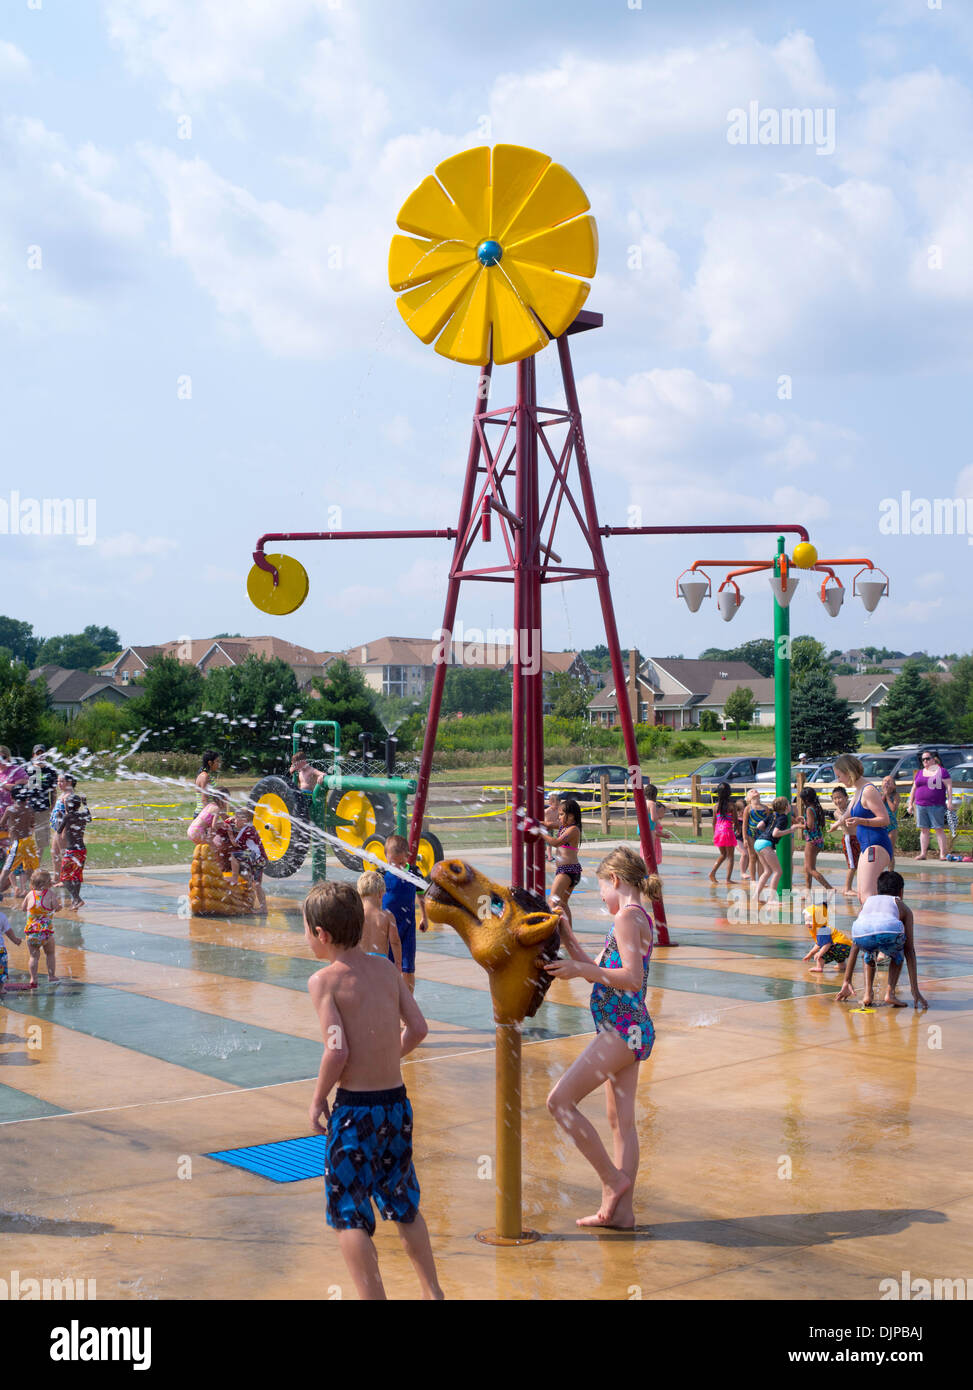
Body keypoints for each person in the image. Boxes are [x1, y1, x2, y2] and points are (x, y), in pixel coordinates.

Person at [304, 880, 442, 1301]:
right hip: (396, 1105)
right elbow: (418, 1028)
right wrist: (388, 1058)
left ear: (322, 935)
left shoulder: (324, 981)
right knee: (403, 1202)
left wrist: (316, 1099)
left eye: (306, 929)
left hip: (356, 1112)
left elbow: (336, 1051)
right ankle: (433, 1293)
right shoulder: (385, 967)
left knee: (349, 1213)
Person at [544, 846, 655, 1230]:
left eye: (600, 889)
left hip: (621, 1028)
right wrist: (566, 934)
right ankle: (622, 1214)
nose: (601, 897)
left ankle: (612, 1180)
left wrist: (576, 968)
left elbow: (631, 979)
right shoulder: (636, 917)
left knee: (559, 1101)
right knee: (620, 1122)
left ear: (615, 880)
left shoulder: (626, 917)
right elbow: (596, 969)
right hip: (632, 1027)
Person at [835, 870, 927, 1010]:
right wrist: (915, 990)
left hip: (861, 933)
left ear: (878, 890)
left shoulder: (867, 903)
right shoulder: (901, 905)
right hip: (889, 932)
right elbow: (909, 949)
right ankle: (890, 993)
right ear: (901, 892)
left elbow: (855, 944)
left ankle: (867, 994)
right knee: (899, 953)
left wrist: (847, 980)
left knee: (868, 951)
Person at [833, 753, 892, 904]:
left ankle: (879, 924)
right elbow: (848, 812)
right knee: (862, 895)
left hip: (876, 845)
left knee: (867, 896)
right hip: (866, 845)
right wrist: (837, 823)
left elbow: (885, 819)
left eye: (839, 776)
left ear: (848, 772)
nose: (838, 780)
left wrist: (861, 821)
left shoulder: (868, 790)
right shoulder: (859, 790)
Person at [382, 835, 429, 995]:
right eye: (393, 863)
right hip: (386, 928)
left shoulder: (414, 872)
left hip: (407, 927)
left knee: (408, 969)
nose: (397, 867)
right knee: (387, 967)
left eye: (401, 863)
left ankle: (409, 1004)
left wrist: (425, 917)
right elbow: (371, 898)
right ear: (386, 858)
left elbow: (422, 895)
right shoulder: (381, 872)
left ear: (407, 857)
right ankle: (389, 1001)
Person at [528, 798, 583, 927]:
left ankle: (551, 932)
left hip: (567, 871)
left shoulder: (573, 830)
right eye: (559, 814)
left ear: (571, 816)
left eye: (562, 814)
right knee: (563, 903)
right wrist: (535, 823)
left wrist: (541, 834)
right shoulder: (564, 826)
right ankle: (569, 933)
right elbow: (548, 824)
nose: (559, 818)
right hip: (570, 871)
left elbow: (556, 842)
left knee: (552, 902)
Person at [906, 749, 953, 861]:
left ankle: (942, 854)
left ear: (933, 759)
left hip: (936, 805)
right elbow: (914, 788)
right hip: (921, 805)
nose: (925, 761)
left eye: (927, 758)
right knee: (924, 830)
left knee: (938, 829)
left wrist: (949, 801)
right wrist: (910, 804)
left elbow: (949, 787)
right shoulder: (920, 773)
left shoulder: (942, 771)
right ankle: (923, 853)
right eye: (923, 759)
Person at [357, 870, 403, 968]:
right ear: (381, 894)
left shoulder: (356, 915)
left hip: (360, 960)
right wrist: (398, 964)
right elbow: (395, 942)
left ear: (360, 893)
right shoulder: (387, 916)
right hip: (381, 962)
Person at [228, 803, 268, 914]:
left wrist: (230, 833)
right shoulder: (250, 827)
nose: (235, 821)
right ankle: (263, 908)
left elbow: (235, 843)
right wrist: (232, 820)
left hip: (255, 858)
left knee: (233, 855)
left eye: (237, 819)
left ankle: (234, 878)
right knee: (257, 884)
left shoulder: (245, 830)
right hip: (261, 859)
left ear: (245, 820)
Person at [22, 868, 59, 987]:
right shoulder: (50, 894)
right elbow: (56, 907)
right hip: (46, 933)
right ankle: (52, 976)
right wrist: (59, 907)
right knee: (50, 954)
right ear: (48, 883)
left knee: (33, 956)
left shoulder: (29, 894)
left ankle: (33, 978)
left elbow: (23, 908)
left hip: (32, 933)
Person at [56, 790, 92, 910]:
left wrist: (59, 818)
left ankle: (77, 899)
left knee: (64, 878)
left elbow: (59, 831)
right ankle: (75, 901)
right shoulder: (82, 815)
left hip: (71, 851)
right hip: (82, 850)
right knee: (76, 876)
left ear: (68, 806)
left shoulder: (67, 817)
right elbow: (90, 818)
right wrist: (85, 805)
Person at [0, 792, 40, 899]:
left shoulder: (10, 809)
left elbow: (2, 824)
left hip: (18, 842)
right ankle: (33, 891)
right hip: (29, 841)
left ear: (12, 797)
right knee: (30, 867)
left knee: (7, 867)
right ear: (26, 797)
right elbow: (32, 824)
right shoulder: (30, 809)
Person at [753, 797, 794, 899]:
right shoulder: (784, 818)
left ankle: (755, 896)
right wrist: (790, 830)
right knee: (778, 871)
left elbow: (759, 826)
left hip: (758, 842)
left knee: (767, 871)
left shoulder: (772, 815)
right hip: (765, 844)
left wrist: (766, 833)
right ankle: (771, 899)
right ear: (785, 807)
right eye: (788, 803)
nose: (790, 805)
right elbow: (775, 834)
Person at [24, 746, 57, 867]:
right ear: (33, 755)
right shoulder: (27, 769)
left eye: (42, 753)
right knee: (26, 839)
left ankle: (36, 867)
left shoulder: (50, 771)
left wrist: (52, 807)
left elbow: (53, 791)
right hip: (28, 809)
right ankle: (25, 867)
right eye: (37, 753)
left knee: (41, 841)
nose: (40, 756)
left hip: (43, 809)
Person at [830, 785, 861, 897]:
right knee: (852, 865)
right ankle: (847, 888)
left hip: (858, 838)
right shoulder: (836, 812)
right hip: (848, 839)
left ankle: (860, 886)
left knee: (860, 864)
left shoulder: (851, 807)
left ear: (846, 797)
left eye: (840, 797)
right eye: (835, 798)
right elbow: (844, 820)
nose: (837, 800)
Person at [800, 786, 832, 891]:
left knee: (810, 869)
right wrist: (803, 820)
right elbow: (813, 822)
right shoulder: (816, 807)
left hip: (812, 841)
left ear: (806, 800)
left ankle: (829, 888)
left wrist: (797, 826)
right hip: (818, 840)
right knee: (807, 867)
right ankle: (807, 890)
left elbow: (810, 826)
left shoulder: (809, 809)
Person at [709, 781, 737, 884]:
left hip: (718, 832)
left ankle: (712, 872)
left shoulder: (716, 806)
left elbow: (713, 822)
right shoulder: (731, 806)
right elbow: (734, 820)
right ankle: (728, 879)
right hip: (728, 832)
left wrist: (714, 834)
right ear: (729, 793)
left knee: (723, 854)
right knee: (730, 856)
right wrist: (738, 828)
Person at [0, 909, 26, 993]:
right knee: (1, 969)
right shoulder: (2, 916)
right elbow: (8, 931)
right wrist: (15, 940)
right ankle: (0, 988)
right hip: (0, 949)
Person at [881, 775, 900, 867]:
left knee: (890, 850)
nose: (886, 783)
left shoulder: (895, 795)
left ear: (894, 786)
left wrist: (887, 796)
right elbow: (879, 806)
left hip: (891, 826)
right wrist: (884, 794)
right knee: (881, 849)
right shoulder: (880, 795)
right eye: (884, 781)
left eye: (889, 781)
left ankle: (890, 871)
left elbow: (893, 808)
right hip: (881, 825)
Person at [195, 751, 221, 815]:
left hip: (207, 813)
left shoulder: (208, 775)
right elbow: (204, 800)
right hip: (202, 814)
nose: (219, 764)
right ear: (210, 762)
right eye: (217, 761)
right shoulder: (204, 776)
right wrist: (206, 817)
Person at [543, 792, 560, 865]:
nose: (557, 807)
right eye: (556, 805)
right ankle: (549, 856)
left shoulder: (557, 810)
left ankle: (547, 855)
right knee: (548, 843)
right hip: (545, 828)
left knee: (548, 843)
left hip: (551, 828)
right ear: (550, 803)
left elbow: (558, 819)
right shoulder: (547, 811)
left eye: (558, 805)